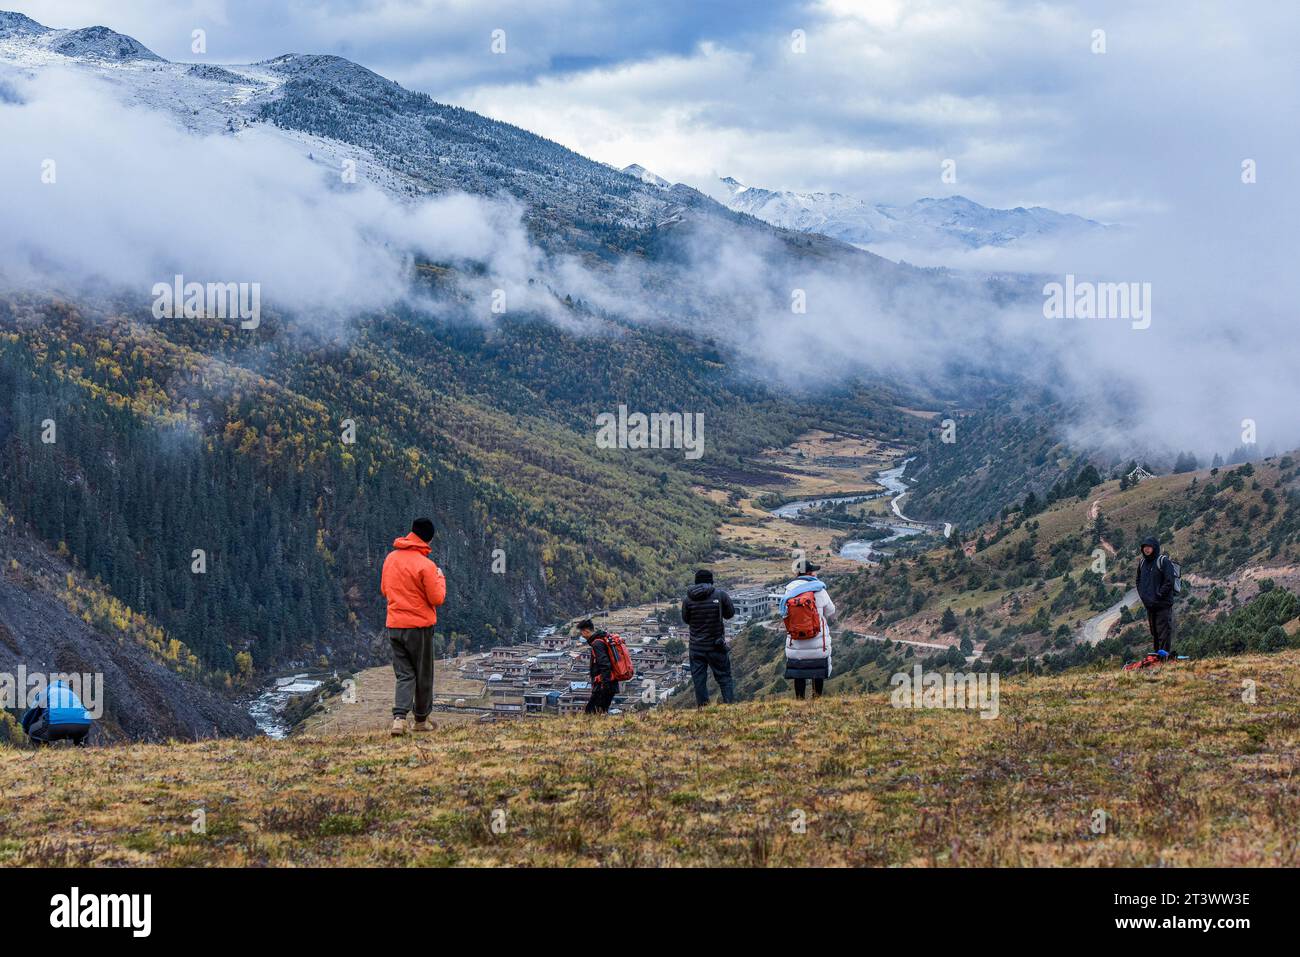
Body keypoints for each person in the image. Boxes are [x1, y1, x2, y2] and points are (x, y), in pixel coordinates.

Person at [380, 517, 446, 736]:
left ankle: (399, 719)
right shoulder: (426, 565)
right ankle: (420, 721)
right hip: (419, 628)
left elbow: (384, 590)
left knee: (405, 674)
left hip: (394, 626)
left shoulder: (390, 559)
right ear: (428, 539)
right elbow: (436, 598)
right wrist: (440, 578)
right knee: (423, 674)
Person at [680, 569, 736, 706]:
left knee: (699, 680)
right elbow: (730, 614)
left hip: (696, 647)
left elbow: (686, 619)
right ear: (711, 581)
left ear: (696, 582)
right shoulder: (720, 595)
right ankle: (730, 706)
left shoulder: (688, 600)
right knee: (724, 678)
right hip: (716, 645)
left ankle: (703, 709)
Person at [781, 561, 835, 699]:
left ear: (797, 573)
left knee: (799, 674)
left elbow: (784, 614)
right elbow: (831, 611)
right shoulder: (819, 589)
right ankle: (816, 700)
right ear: (810, 573)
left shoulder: (789, 591)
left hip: (797, 642)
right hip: (817, 642)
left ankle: (799, 700)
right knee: (817, 673)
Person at [1135, 535, 1176, 660]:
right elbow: (1138, 581)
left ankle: (1164, 659)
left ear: (1155, 548)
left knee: (1163, 632)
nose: (1146, 550)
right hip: (1150, 605)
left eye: (1149, 547)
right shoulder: (1142, 563)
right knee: (1155, 633)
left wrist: (1158, 595)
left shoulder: (1163, 561)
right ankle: (1157, 658)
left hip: (1162, 604)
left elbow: (1169, 581)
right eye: (1144, 547)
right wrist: (1144, 597)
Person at [21, 680, 93, 746]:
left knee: (33, 731)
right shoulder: (72, 693)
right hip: (82, 725)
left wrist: (25, 727)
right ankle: (82, 750)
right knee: (82, 731)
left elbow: (31, 712)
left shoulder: (46, 692)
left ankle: (45, 752)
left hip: (55, 725)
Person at [576, 619, 618, 714]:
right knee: (601, 712)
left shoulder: (597, 644)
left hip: (603, 685)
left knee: (591, 713)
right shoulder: (601, 640)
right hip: (609, 683)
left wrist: (605, 685)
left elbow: (604, 664)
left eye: (582, 633)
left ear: (586, 631)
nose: (582, 636)